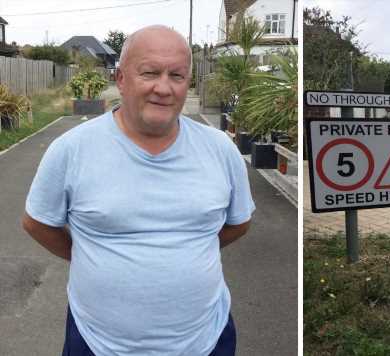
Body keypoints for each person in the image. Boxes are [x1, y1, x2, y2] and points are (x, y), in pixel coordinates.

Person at [22, 25, 255, 356]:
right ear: (120, 79)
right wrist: (91, 254)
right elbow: (37, 222)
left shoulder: (220, 149)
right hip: (97, 343)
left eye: (176, 75)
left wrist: (190, 247)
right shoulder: (72, 149)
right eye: (149, 73)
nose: (164, 87)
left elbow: (239, 222)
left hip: (205, 340)